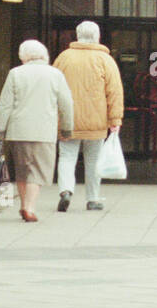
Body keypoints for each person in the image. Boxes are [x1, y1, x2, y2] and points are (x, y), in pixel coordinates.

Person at [0, 39, 74, 221]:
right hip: (44, 131)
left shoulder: (15, 74)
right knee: (37, 172)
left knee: (22, 170)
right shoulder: (55, 74)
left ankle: (24, 206)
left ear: (24, 55)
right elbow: (66, 103)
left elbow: (5, 104)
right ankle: (29, 208)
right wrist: (67, 128)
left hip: (18, 131)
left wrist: (0, 130)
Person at [53, 21, 124, 211]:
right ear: (97, 36)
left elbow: (54, 88)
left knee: (67, 157)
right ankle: (92, 199)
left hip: (68, 119)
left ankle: (66, 191)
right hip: (96, 121)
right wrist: (115, 120)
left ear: (77, 35)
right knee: (94, 161)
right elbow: (114, 92)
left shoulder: (64, 58)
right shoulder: (105, 60)